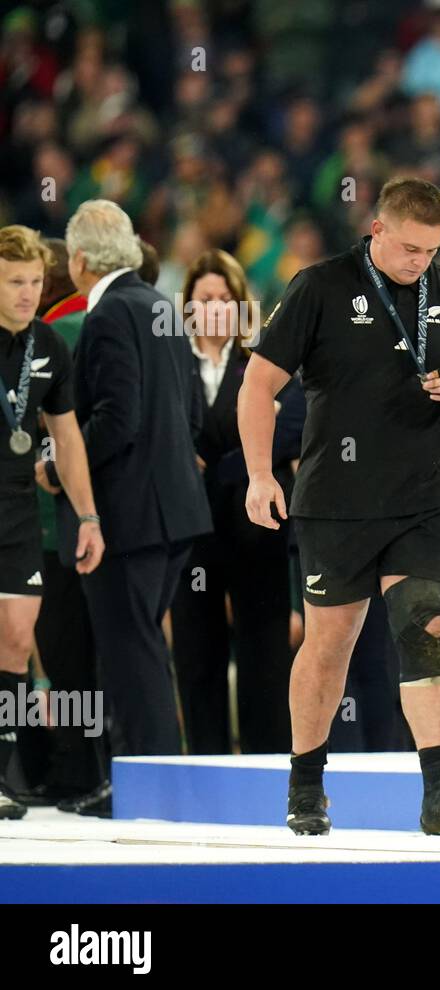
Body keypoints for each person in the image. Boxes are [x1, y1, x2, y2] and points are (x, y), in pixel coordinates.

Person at [239, 177, 440, 836]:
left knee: (426, 628)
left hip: (422, 499)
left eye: (432, 250)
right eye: (410, 248)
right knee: (330, 646)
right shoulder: (319, 286)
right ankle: (305, 786)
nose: (421, 262)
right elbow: (257, 384)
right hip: (336, 502)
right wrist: (259, 475)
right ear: (377, 229)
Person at [52, 201, 213, 817]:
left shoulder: (109, 314)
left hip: (126, 517)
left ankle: (149, 788)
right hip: (176, 514)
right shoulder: (160, 305)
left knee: (131, 652)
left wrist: (56, 464)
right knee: (144, 647)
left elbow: (117, 418)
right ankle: (152, 779)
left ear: (81, 260)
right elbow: (192, 413)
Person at [169, 249, 304, 754]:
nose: (216, 307)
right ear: (187, 307)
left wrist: (228, 464)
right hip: (191, 529)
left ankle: (267, 762)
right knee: (196, 653)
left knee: (264, 653)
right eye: (205, 298)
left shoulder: (263, 361)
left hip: (257, 526)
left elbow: (292, 427)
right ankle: (204, 760)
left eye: (226, 298)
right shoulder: (171, 362)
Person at [0, 225, 105, 820]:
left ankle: (4, 775)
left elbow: (67, 438)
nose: (27, 293)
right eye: (15, 282)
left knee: (16, 640)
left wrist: (87, 515)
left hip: (19, 510)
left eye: (35, 282)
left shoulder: (49, 346)